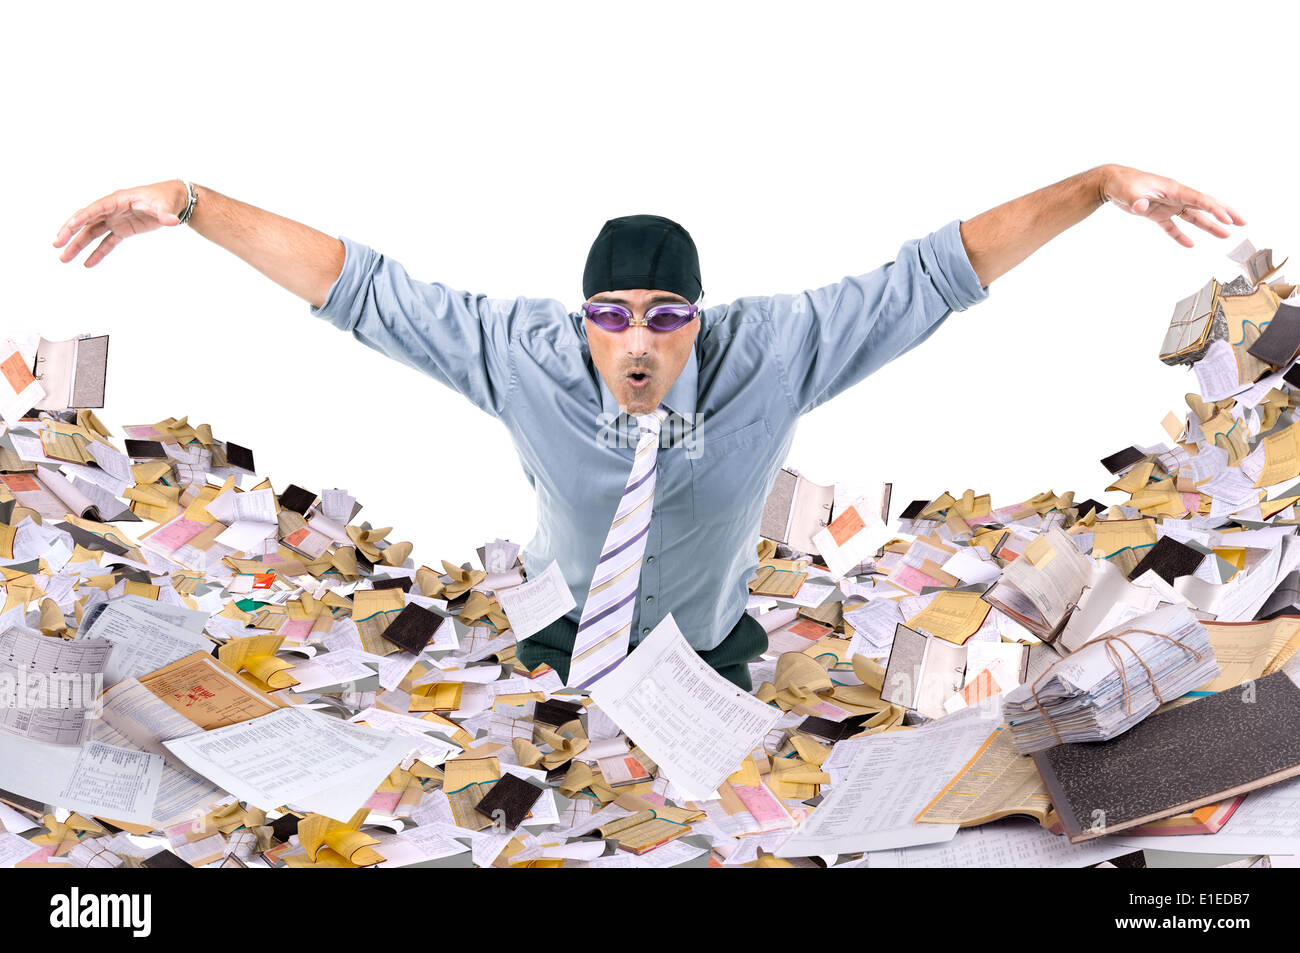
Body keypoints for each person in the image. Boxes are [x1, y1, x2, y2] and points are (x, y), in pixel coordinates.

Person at [53, 167, 1243, 689]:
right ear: (580, 321)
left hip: (715, 651)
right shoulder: (516, 352)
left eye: (666, 317)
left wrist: (1093, 188)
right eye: (611, 318)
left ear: (697, 320)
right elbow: (356, 285)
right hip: (560, 641)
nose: (637, 343)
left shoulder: (772, 353)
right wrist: (195, 203)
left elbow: (932, 275)